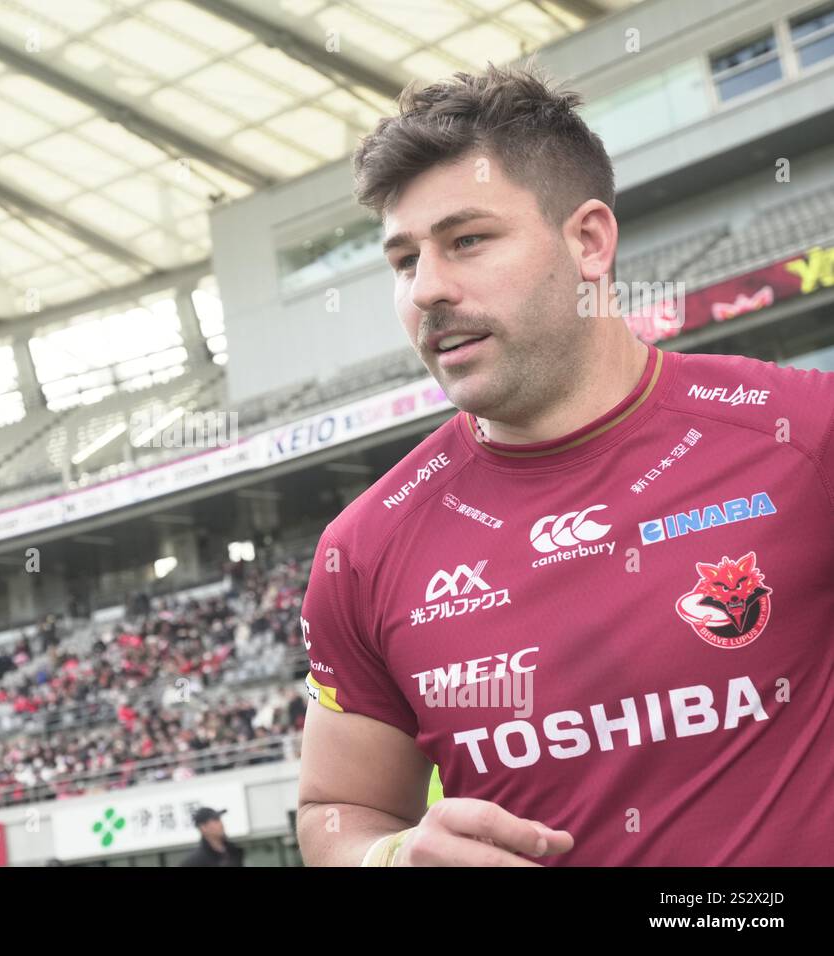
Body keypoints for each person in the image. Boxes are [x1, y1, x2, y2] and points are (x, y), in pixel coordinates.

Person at [296, 61, 834, 867]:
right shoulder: (363, 547)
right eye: (405, 261)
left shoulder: (806, 436)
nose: (428, 289)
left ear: (588, 241)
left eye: (467, 240)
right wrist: (392, 859)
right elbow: (340, 810)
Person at [179, 807, 244, 866]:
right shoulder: (196, 861)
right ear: (203, 827)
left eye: (219, 820)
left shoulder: (233, 852)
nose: (221, 824)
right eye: (216, 820)